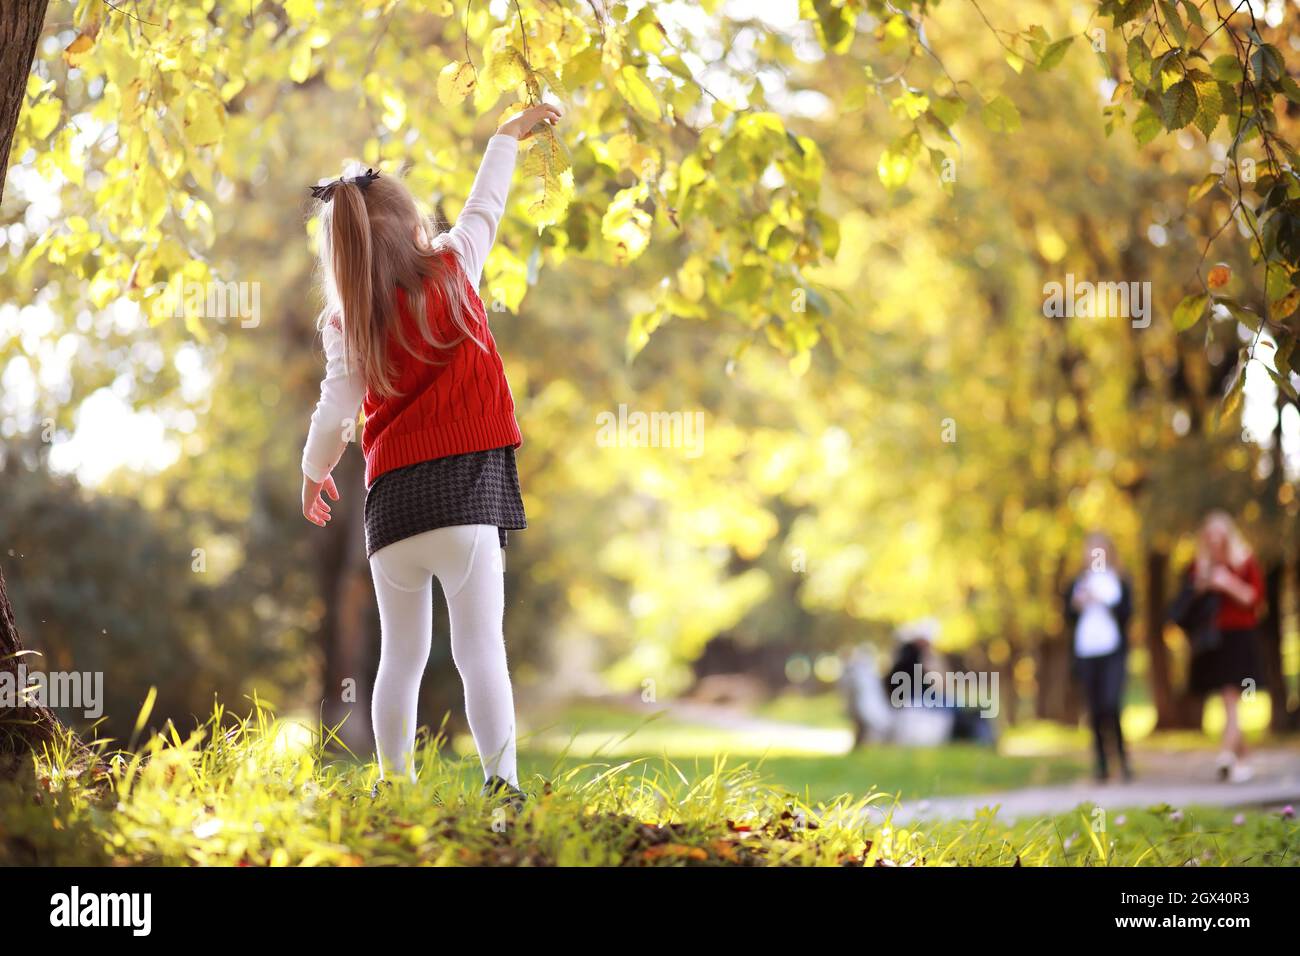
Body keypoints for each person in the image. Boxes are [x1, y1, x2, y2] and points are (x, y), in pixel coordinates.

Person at [298, 103, 563, 801]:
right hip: (465, 497)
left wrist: (313, 472)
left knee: (401, 659)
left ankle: (393, 788)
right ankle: (501, 788)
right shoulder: (453, 266)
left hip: (393, 512)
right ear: (414, 226)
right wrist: (505, 137)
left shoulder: (345, 323)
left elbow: (336, 408)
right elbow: (485, 208)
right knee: (481, 651)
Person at [1182, 511, 1263, 783]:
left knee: (1232, 699)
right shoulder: (1199, 565)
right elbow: (1188, 604)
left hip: (1240, 635)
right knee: (1228, 702)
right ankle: (1243, 760)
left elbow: (1254, 598)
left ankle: (1226, 755)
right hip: (1212, 640)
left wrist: (1227, 583)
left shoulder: (1244, 561)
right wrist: (1203, 582)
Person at [1062, 532, 1134, 782]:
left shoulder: (1119, 581)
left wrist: (1102, 601)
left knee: (1110, 704)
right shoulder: (1078, 582)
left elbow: (1127, 614)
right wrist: (1076, 605)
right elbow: (1066, 618)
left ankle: (1123, 760)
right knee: (1093, 709)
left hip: (1112, 651)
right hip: (1086, 652)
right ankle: (1101, 765)